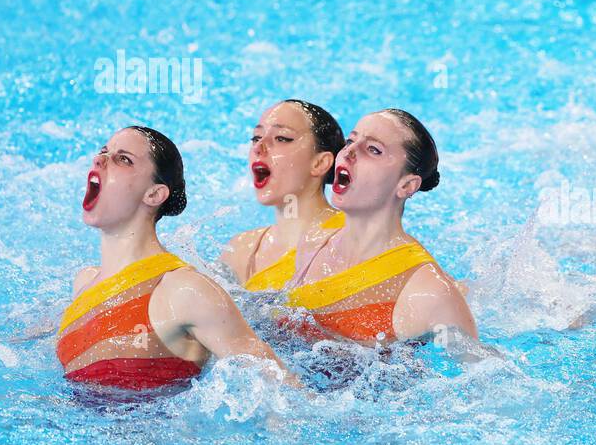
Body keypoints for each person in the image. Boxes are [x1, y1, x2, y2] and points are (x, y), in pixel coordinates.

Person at [59, 126, 296, 390]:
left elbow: (280, 385)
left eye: (123, 159)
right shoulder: (84, 284)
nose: (99, 159)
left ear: (154, 194)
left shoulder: (184, 291)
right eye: (103, 151)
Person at [286, 109, 477, 345]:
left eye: (373, 149)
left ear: (406, 185)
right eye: (350, 141)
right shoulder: (314, 241)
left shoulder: (429, 294)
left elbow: (483, 372)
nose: (349, 153)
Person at [221, 100, 345, 291]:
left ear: (320, 163)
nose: (259, 147)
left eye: (282, 138)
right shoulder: (240, 250)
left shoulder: (351, 240)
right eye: (256, 138)